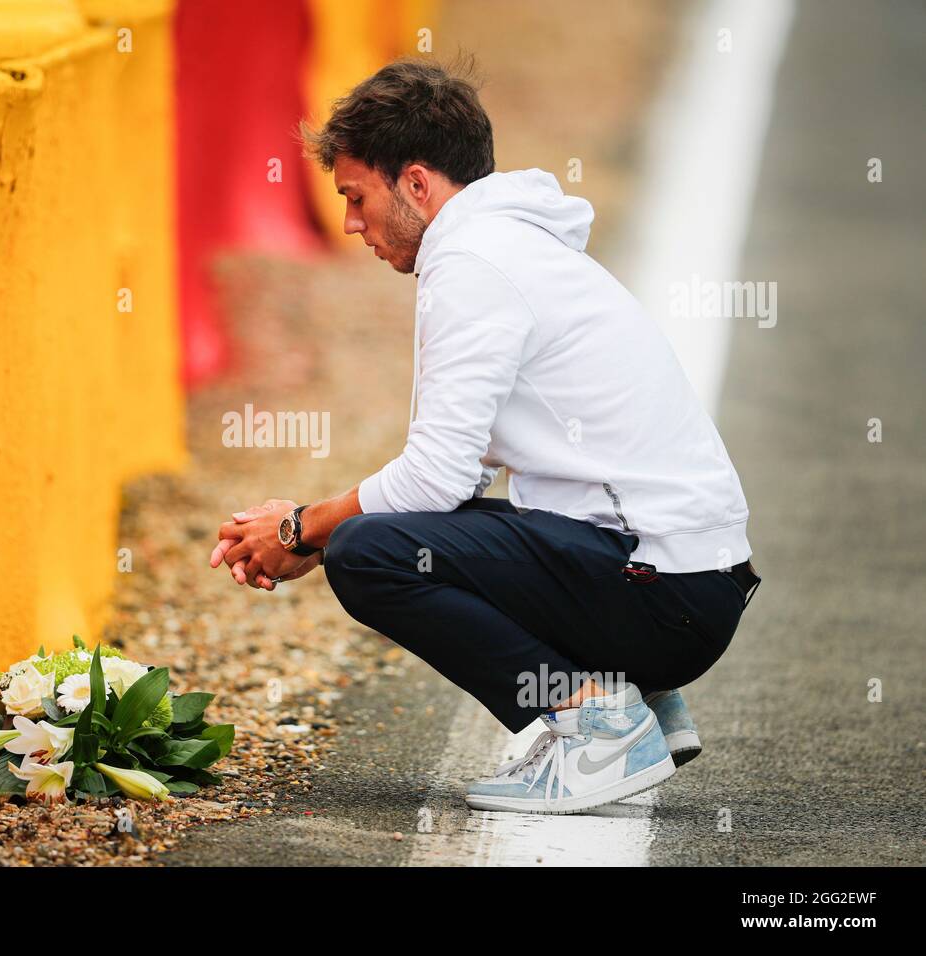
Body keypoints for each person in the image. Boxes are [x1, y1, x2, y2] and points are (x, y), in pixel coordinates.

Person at [208, 58, 761, 814]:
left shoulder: (472, 263)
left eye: (355, 197)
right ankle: (642, 705)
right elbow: (454, 483)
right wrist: (315, 536)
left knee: (372, 556)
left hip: (665, 595)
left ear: (415, 183)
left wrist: (305, 528)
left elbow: (433, 480)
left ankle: (596, 718)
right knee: (382, 535)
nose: (349, 225)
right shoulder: (504, 246)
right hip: (685, 583)